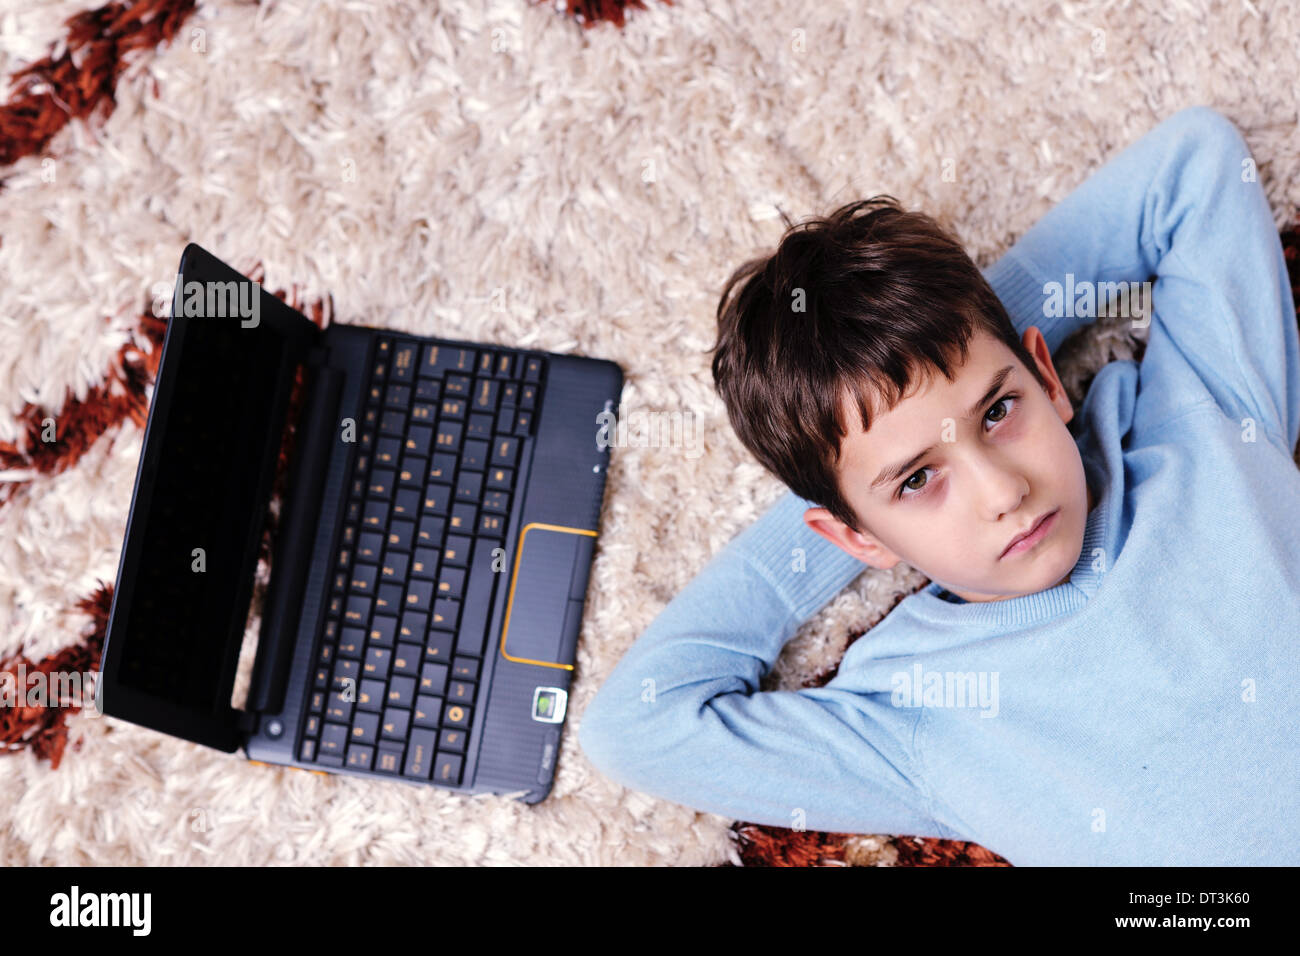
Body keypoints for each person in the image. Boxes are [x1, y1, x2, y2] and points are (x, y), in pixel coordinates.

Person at [578, 106, 1300, 865]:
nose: (1001, 491)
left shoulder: (1205, 429)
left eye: (998, 411)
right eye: (919, 478)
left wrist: (953, 345)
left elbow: (1194, 166)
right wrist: (849, 482)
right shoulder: (920, 714)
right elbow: (635, 726)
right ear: (852, 537)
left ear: (1045, 376)